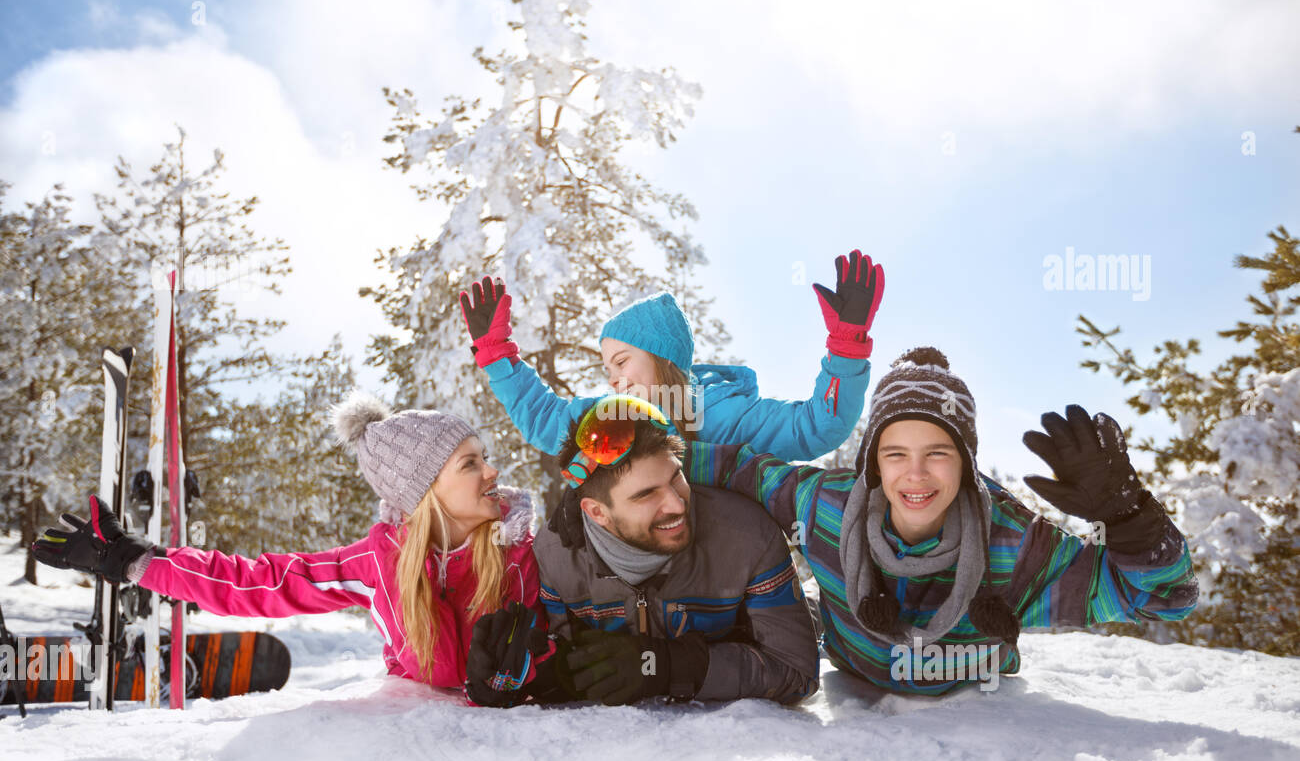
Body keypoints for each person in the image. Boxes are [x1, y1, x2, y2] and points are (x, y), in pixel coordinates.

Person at [682, 346, 1200, 694]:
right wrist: (627, 450)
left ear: (967, 464)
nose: (915, 475)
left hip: (974, 718)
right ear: (871, 462)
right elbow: (734, 469)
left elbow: (1166, 599)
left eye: (938, 453)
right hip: (851, 685)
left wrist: (1130, 517)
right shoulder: (824, 505)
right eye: (894, 454)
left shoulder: (1015, 546)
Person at [31, 393, 551, 708]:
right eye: (470, 463)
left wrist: (534, 671)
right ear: (423, 492)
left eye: (484, 457)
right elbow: (259, 583)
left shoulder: (524, 550)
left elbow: (583, 624)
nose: (492, 472)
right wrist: (135, 561)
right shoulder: (378, 564)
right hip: (409, 749)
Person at [458, 248, 885, 461]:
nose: (611, 377)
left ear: (664, 361)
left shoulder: (722, 415)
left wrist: (846, 349)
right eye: (607, 368)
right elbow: (542, 418)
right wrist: (497, 356)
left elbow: (817, 427)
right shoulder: (608, 418)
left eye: (622, 361)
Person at [530, 394, 821, 706]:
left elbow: (798, 672)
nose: (677, 503)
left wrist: (670, 666)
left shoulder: (747, 536)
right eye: (646, 495)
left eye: (676, 477)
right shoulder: (554, 555)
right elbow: (559, 654)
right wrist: (528, 674)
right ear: (597, 512)